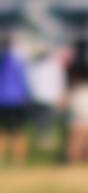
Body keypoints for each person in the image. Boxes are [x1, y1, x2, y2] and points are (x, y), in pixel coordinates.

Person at [26, 45, 67, 153]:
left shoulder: (33, 66)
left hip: (38, 97)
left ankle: (43, 139)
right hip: (47, 97)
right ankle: (44, 140)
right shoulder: (54, 67)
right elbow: (59, 82)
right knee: (46, 120)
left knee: (43, 120)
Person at [0, 36, 31, 164]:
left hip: (2, 100)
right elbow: (24, 81)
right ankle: (18, 158)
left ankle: (2, 157)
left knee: (2, 130)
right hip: (17, 100)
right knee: (18, 130)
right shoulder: (18, 62)